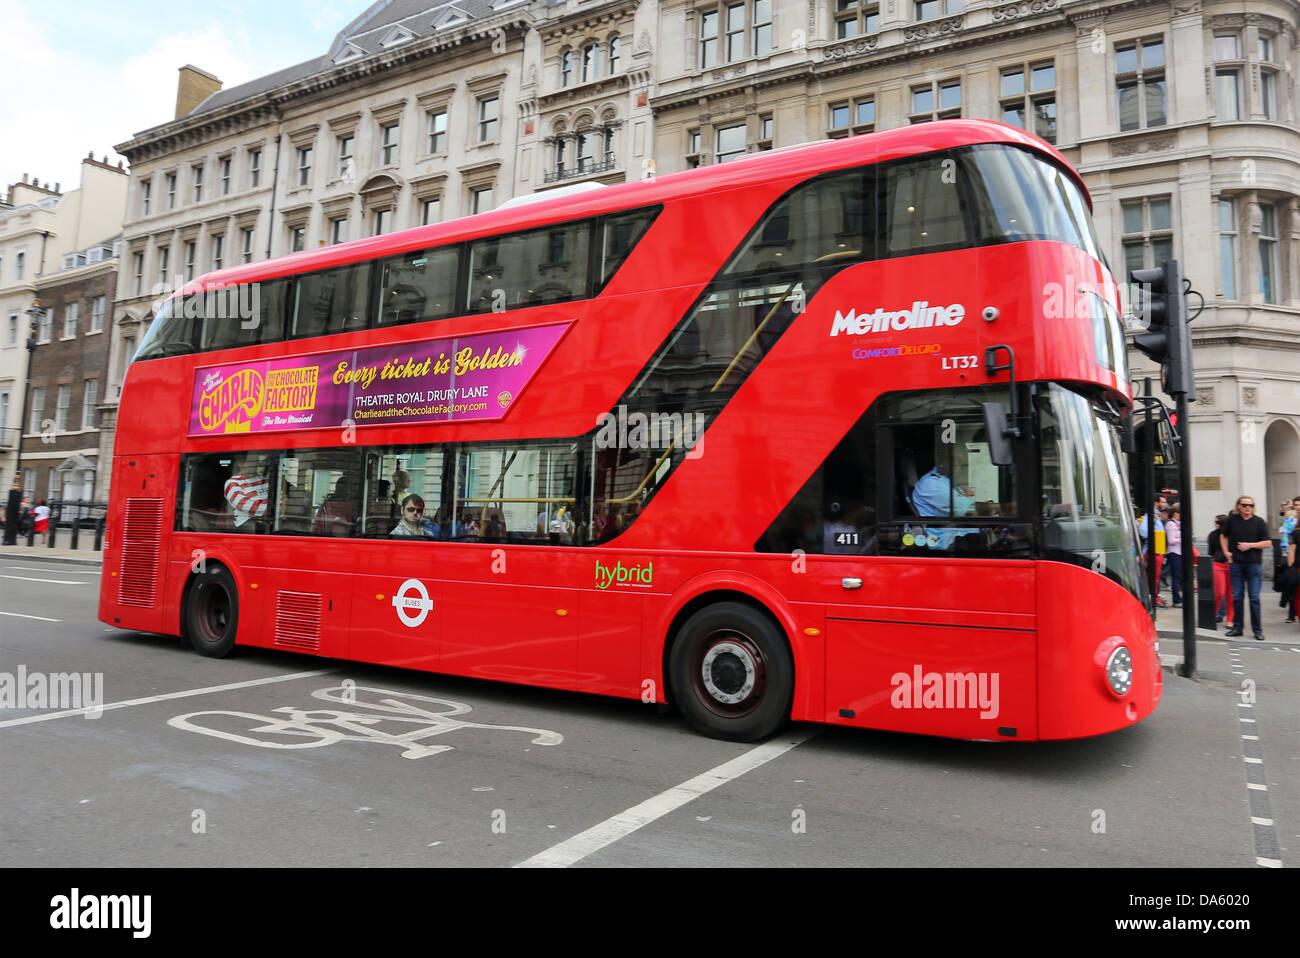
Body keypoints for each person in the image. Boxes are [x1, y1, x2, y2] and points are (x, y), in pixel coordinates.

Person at [1221, 495, 1272, 640]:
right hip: (1236, 564)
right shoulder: (1232, 520)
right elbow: (1223, 536)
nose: (1247, 508)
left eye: (1250, 505)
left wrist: (1250, 545)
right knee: (1237, 597)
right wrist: (1226, 552)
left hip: (1253, 565)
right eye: (1244, 505)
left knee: (1254, 598)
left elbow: (1268, 543)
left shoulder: (1259, 522)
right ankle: (1237, 628)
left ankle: (1257, 631)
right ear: (1238, 506)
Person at [1138, 496, 1168, 607]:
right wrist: (1154, 536)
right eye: (1163, 502)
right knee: (1153, 578)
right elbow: (1144, 531)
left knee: (1154, 577)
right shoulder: (1152, 516)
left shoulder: (1157, 517)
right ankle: (1153, 599)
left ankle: (1153, 597)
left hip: (1157, 552)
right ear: (1156, 503)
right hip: (1153, 552)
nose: (1165, 504)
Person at [224, 456, 268, 528]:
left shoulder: (265, 479)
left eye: (255, 461)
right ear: (240, 463)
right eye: (251, 462)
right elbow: (242, 504)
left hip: (269, 521)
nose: (254, 464)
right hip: (248, 524)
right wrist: (271, 511)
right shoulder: (232, 482)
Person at [1209, 515, 1235, 628]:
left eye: (1218, 522)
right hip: (1218, 564)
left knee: (1231, 594)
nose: (1216, 524)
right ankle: (1212, 614)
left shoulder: (1232, 535)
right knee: (1219, 592)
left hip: (1231, 565)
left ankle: (1230, 619)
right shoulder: (1213, 535)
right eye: (1215, 522)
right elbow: (1211, 552)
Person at [1165, 506, 1183, 606]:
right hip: (1174, 553)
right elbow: (1171, 540)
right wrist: (1182, 539)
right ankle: (1176, 600)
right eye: (1180, 514)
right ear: (1175, 514)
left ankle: (1178, 598)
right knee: (1176, 576)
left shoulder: (1177, 525)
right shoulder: (1171, 524)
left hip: (1178, 553)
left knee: (1179, 576)